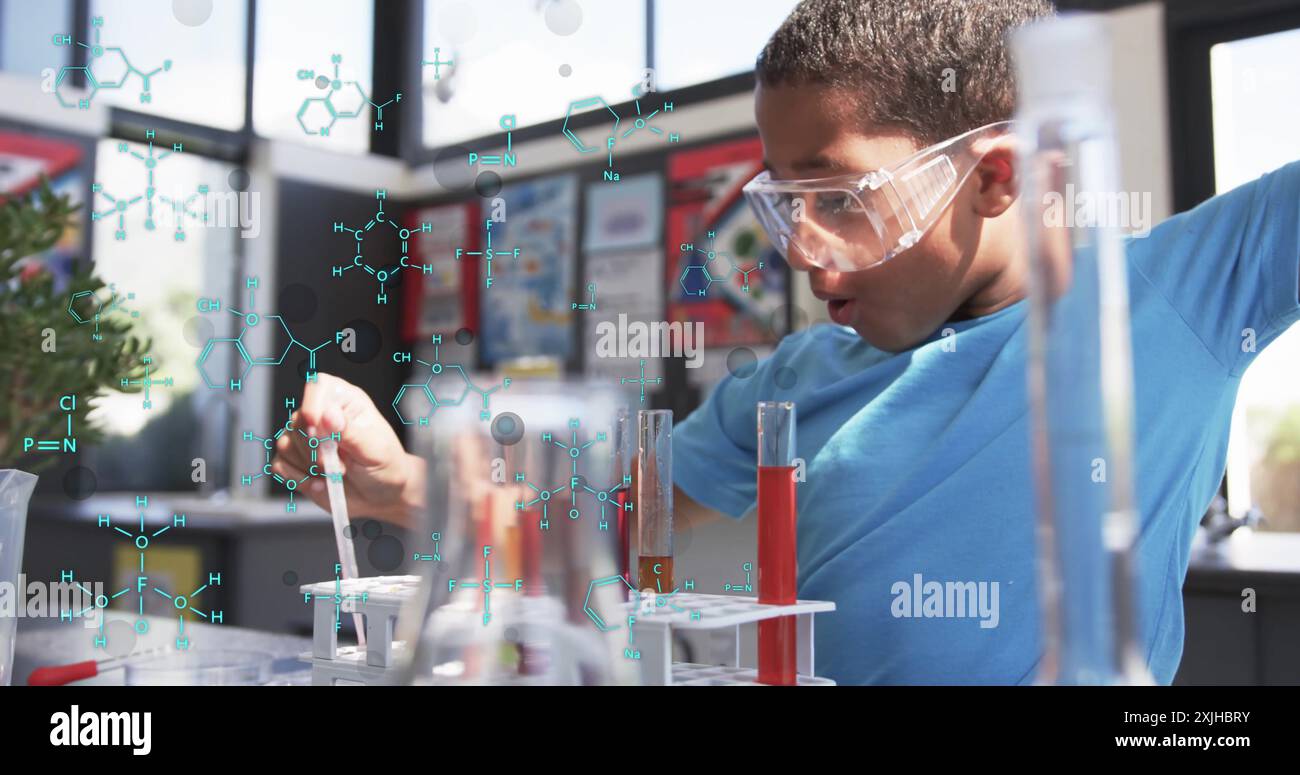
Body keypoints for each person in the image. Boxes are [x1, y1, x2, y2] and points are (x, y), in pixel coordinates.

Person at [272, 0, 1300, 684]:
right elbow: (602, 527)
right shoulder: (800, 376)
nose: (803, 251)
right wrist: (401, 484)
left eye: (841, 198)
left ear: (994, 177)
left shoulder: (1183, 292)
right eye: (783, 204)